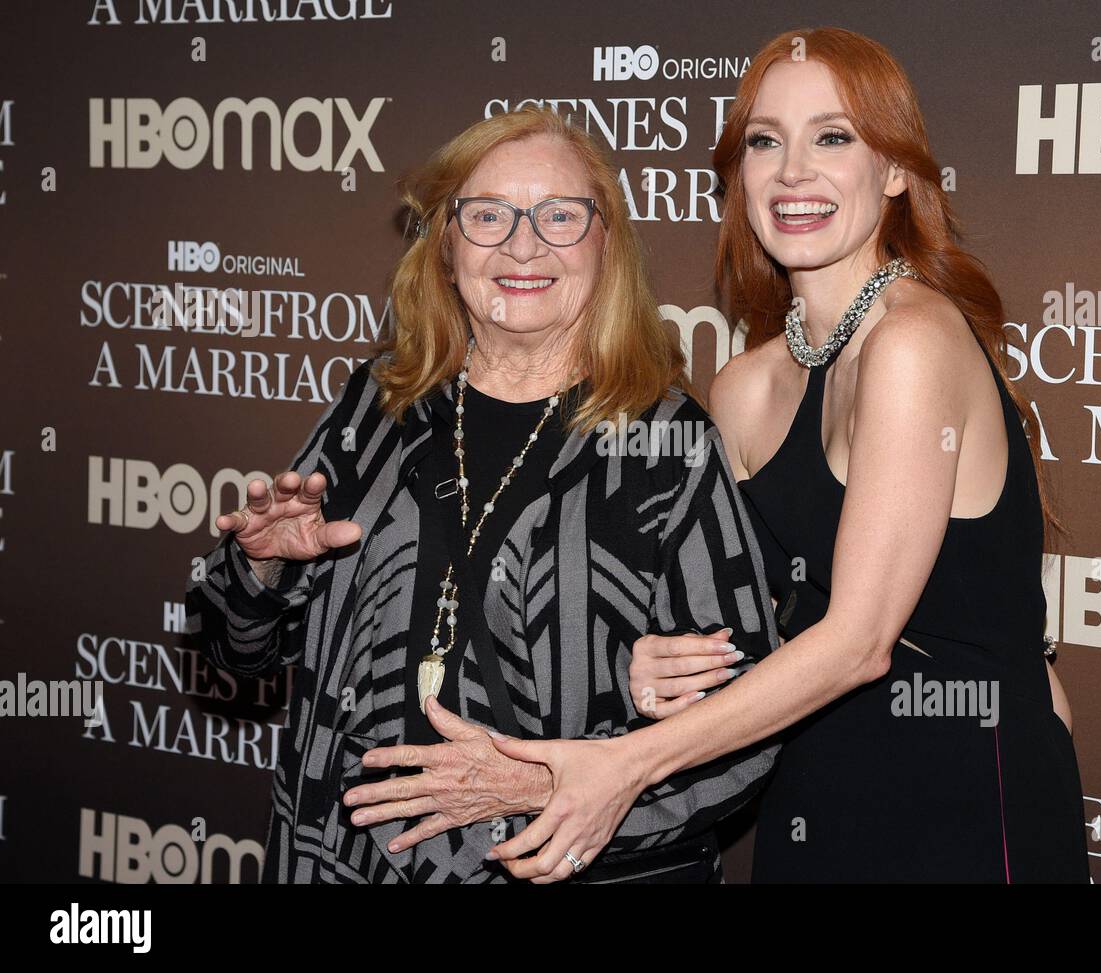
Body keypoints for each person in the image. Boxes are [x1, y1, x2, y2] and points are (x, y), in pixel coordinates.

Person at [483, 28, 1091, 883]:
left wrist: (627, 762)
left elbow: (858, 642)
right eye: (765, 141)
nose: (793, 171)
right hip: (809, 783)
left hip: (963, 789)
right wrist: (663, 659)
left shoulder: (915, 342)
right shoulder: (741, 389)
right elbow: (756, 620)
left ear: (895, 171)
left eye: (833, 137)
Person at [183, 105, 779, 884]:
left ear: (607, 243)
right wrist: (258, 570)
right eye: (488, 214)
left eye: (560, 215)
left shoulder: (665, 443)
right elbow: (228, 649)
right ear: (447, 243)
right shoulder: (383, 404)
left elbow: (743, 733)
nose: (522, 245)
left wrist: (550, 790)